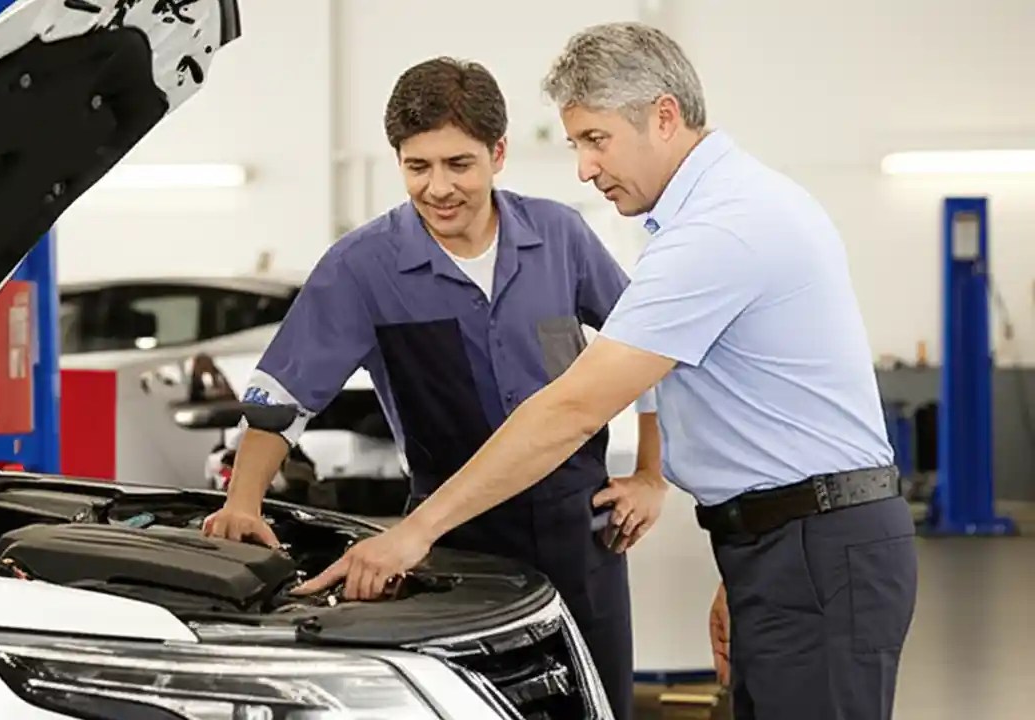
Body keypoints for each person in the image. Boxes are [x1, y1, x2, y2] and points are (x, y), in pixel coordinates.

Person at [293, 22, 919, 720]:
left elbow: (570, 410)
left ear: (663, 115)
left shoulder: (719, 230)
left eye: (596, 140)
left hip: (813, 546)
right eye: (577, 145)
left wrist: (416, 530)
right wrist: (751, 564)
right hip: (792, 543)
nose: (585, 168)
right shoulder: (726, 210)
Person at [202, 56, 665, 720]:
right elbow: (282, 397)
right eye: (418, 167)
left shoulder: (559, 236)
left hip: (582, 530)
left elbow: (651, 349)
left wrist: (652, 473)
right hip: (454, 541)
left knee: (597, 707)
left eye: (458, 165)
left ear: (498, 153)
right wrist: (244, 501)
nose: (439, 188)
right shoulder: (364, 267)